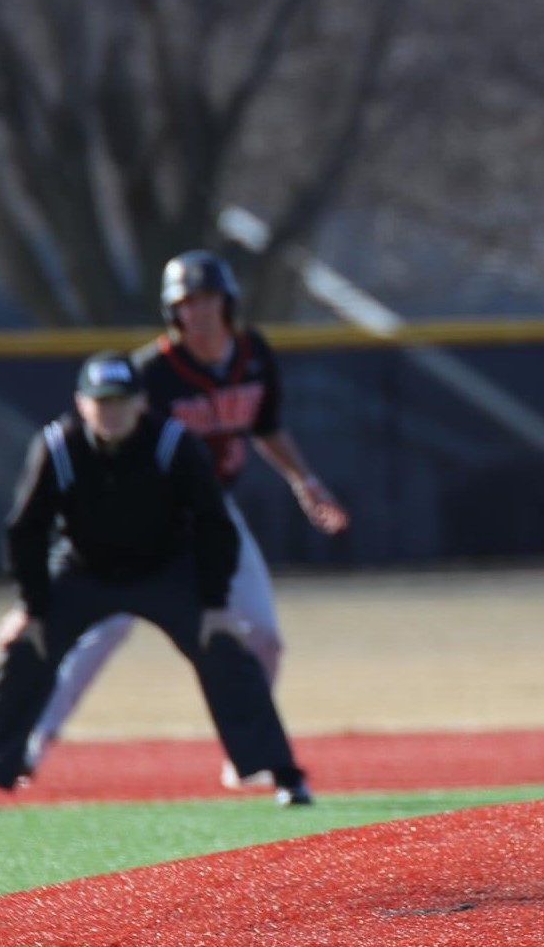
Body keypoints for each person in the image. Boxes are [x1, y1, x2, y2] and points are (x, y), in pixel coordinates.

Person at [0, 352, 313, 812]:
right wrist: (30, 608)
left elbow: (215, 525)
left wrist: (214, 605)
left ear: (141, 403)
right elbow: (26, 530)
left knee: (224, 646)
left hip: (168, 569)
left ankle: (283, 773)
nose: (110, 411)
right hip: (84, 570)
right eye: (101, 402)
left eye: (120, 401)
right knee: (25, 647)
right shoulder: (59, 447)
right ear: (81, 403)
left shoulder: (173, 444)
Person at [25, 250, 349, 788]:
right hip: (146, 523)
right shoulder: (151, 372)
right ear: (172, 312)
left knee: (265, 638)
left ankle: (248, 749)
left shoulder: (254, 354)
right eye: (185, 302)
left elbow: (267, 426)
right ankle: (34, 742)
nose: (197, 311)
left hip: (215, 514)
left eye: (206, 299)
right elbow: (102, 436)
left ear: (227, 303)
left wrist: (304, 481)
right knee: (102, 632)